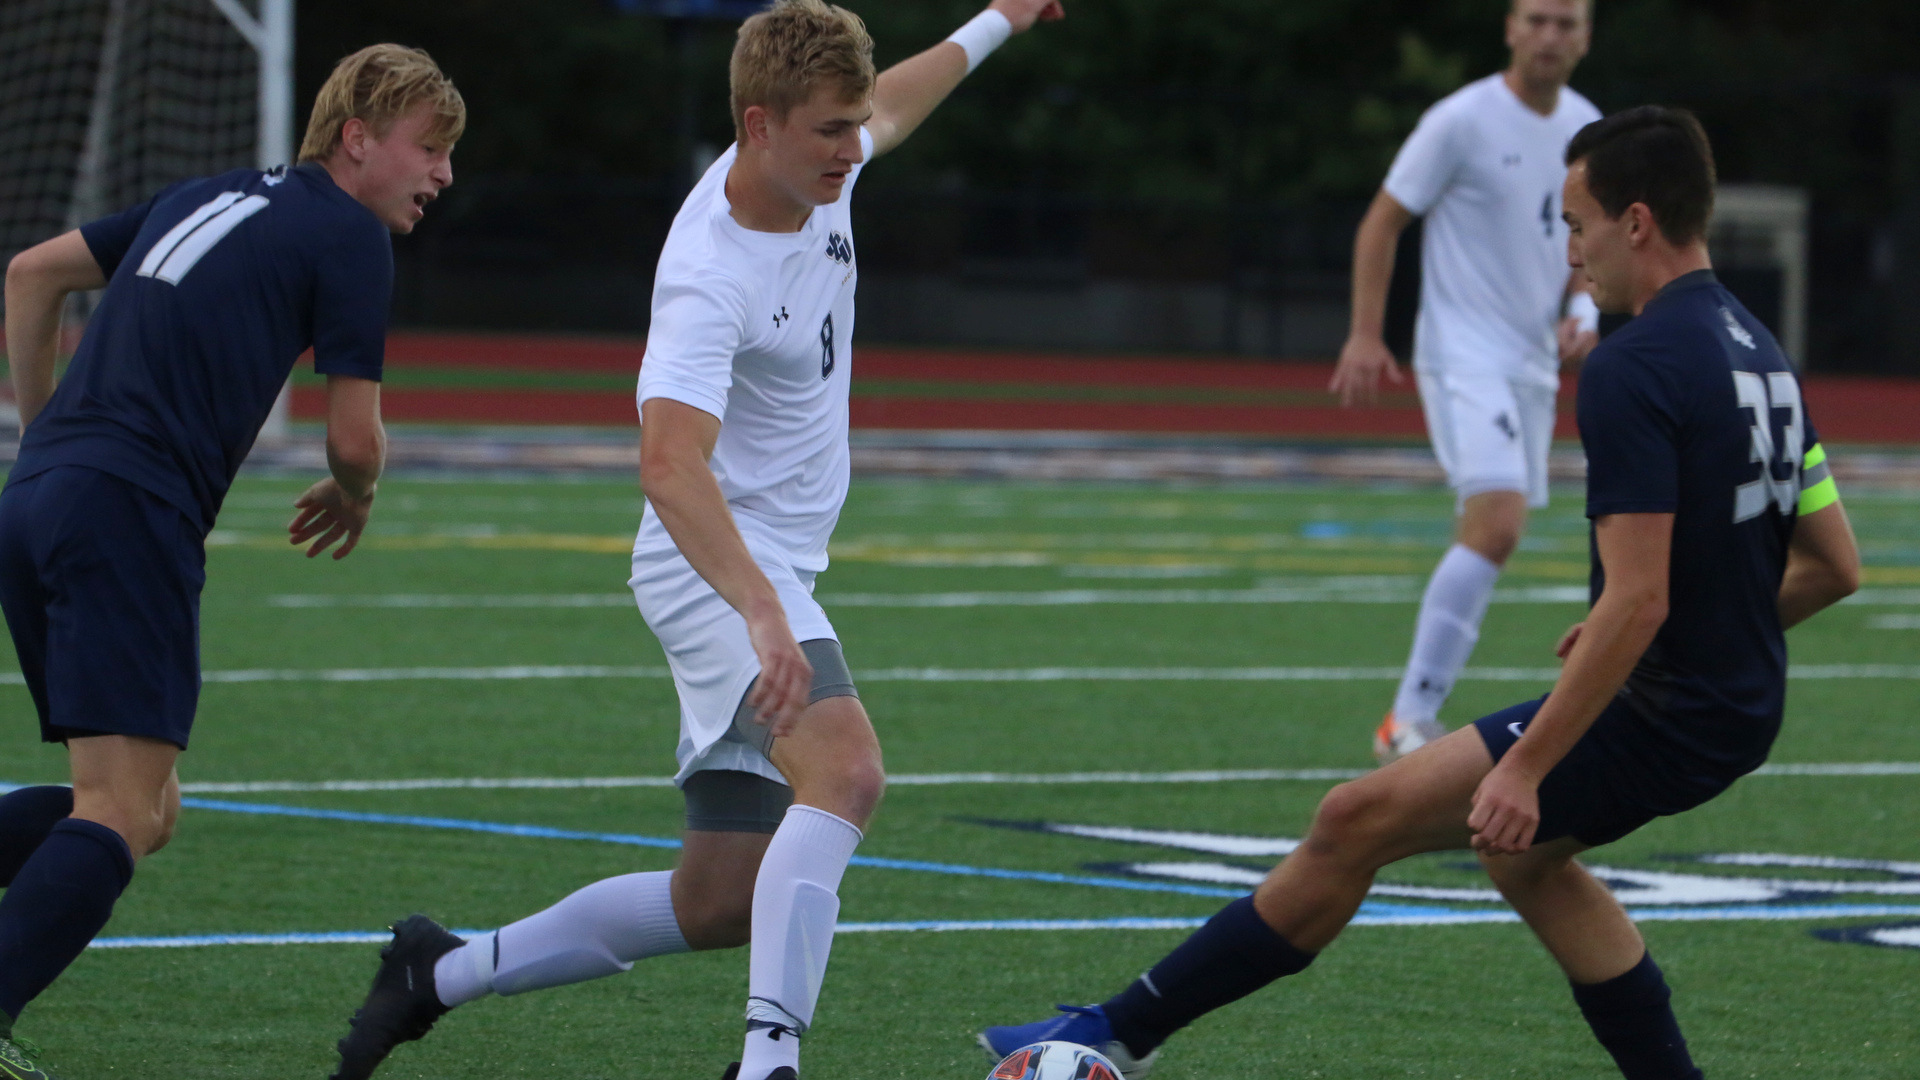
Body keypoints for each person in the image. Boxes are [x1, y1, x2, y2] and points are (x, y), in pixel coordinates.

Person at [983, 106, 1861, 1080]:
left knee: (1354, 818)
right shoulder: (1760, 351)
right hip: (1732, 704)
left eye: (1576, 225)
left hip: (1666, 711)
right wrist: (1683, 627)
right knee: (1524, 861)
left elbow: (1638, 602)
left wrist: (1526, 768)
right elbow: (1833, 565)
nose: (1571, 254)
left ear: (1638, 221)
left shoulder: (1633, 364)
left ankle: (1118, 1031)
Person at [325, 4, 1065, 1080]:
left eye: (853, 126)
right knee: (848, 772)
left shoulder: (825, 165)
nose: (854, 147)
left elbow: (903, 96)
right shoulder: (709, 275)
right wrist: (762, 609)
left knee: (720, 899)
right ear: (759, 125)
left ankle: (434, 973)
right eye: (829, 130)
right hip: (714, 563)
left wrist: (1000, 15)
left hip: (770, 570)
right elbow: (669, 466)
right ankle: (768, 1065)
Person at [0, 44, 462, 1079]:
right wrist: (357, 492)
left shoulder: (206, 194)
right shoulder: (349, 232)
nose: (441, 175)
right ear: (356, 139)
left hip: (35, 503)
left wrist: (48, 441)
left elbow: (33, 276)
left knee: (142, 808)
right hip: (128, 511)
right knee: (120, 810)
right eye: (428, 149)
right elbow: (353, 439)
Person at [1330, 0, 1603, 763]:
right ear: (1511, 28)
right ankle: (1406, 721)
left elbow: (1595, 234)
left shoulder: (1588, 129)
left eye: (1566, 22)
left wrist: (1583, 305)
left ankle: (1411, 718)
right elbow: (1383, 220)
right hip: (1462, 351)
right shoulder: (1461, 119)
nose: (1550, 35)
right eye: (1537, 19)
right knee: (1497, 521)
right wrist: (1363, 330)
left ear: (1585, 37)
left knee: (1497, 530)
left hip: (1530, 362)